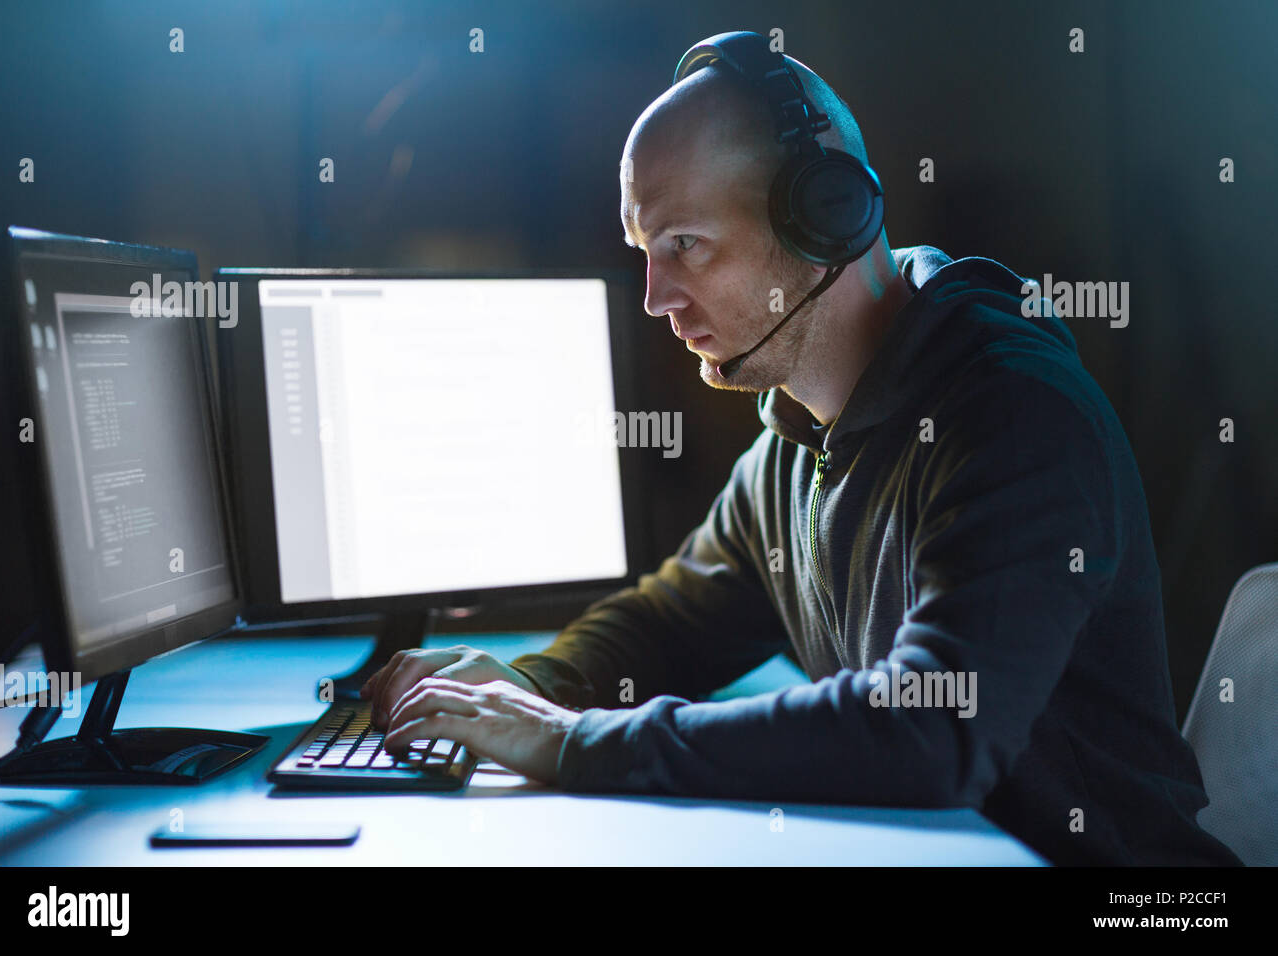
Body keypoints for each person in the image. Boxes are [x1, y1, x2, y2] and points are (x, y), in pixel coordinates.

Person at [362, 36, 1241, 867]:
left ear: (825, 216)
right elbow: (670, 624)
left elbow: (931, 730)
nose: (655, 297)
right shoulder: (795, 435)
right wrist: (523, 687)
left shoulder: (1012, 418)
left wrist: (566, 742)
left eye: (685, 245)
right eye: (644, 251)